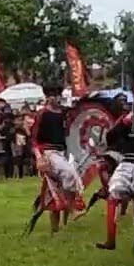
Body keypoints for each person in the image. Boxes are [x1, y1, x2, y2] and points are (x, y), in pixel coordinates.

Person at [96, 96, 134, 258]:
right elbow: (111, 137)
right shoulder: (129, 120)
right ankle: (111, 239)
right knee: (114, 193)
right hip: (130, 162)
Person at [32, 89, 84, 231]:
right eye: (52, 95)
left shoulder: (64, 113)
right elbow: (34, 138)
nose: (55, 98)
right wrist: (39, 157)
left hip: (65, 152)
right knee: (69, 174)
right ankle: (71, 209)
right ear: (47, 97)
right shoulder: (42, 114)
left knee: (63, 188)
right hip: (49, 153)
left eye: (57, 95)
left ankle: (64, 225)